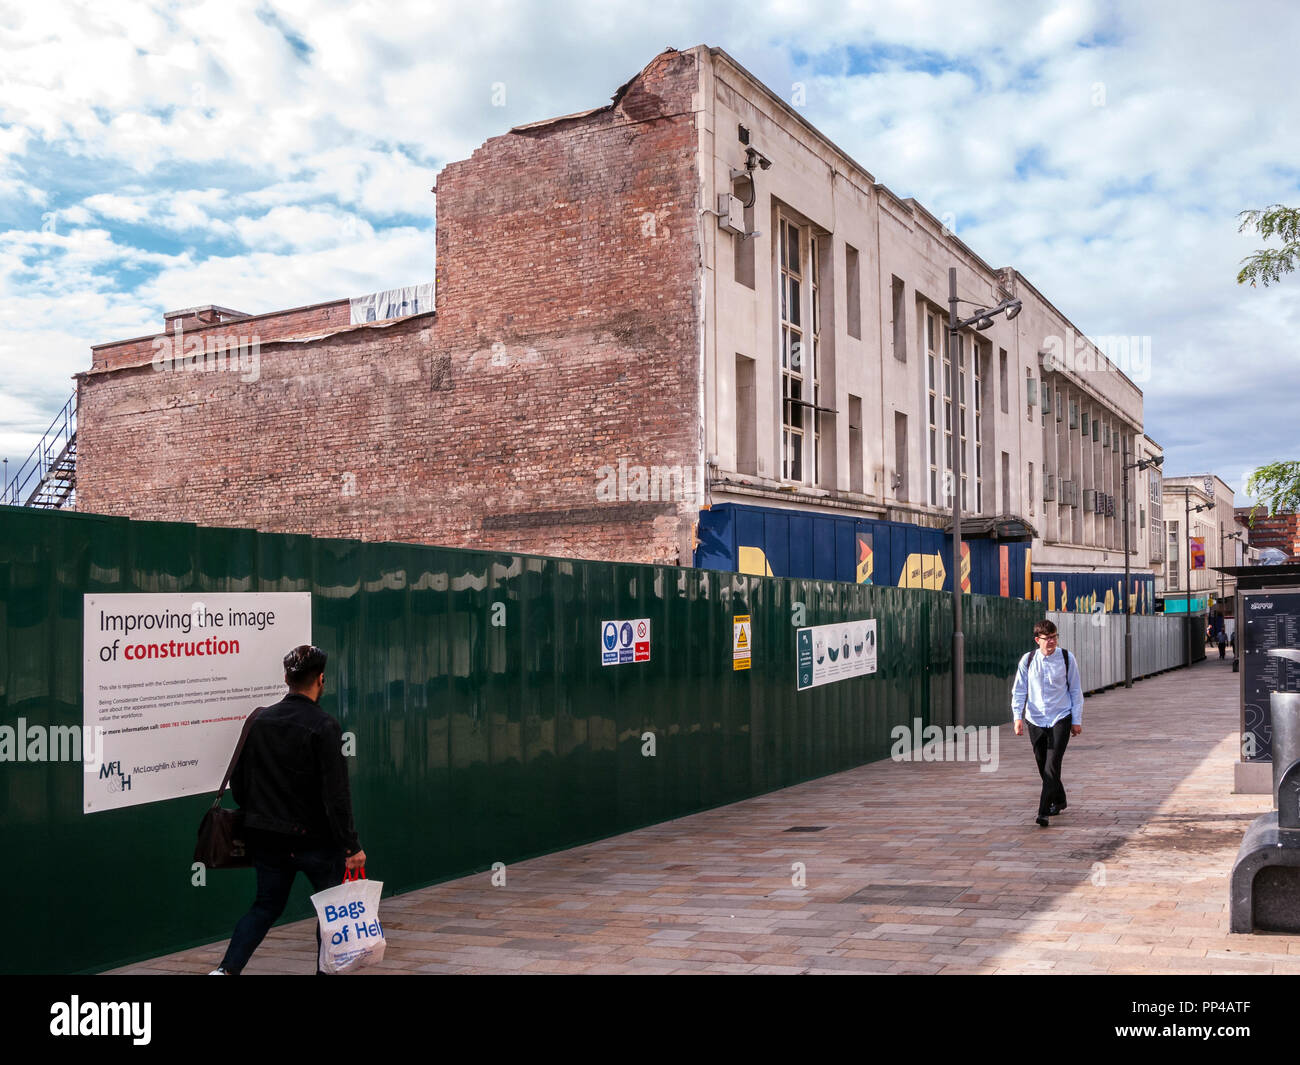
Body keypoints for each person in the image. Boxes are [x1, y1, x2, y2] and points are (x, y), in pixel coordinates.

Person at [211, 645, 366, 974]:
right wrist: (351, 845)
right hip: (316, 842)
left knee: (265, 906)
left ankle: (225, 970)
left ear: (286, 679)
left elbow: (239, 783)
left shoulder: (259, 720)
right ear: (321, 680)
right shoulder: (325, 726)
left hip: (268, 839)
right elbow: (336, 795)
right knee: (331, 912)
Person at [1011, 619, 1084, 828]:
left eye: (1054, 637)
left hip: (1061, 716)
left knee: (1052, 765)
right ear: (1037, 640)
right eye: (1047, 638)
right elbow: (1019, 690)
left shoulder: (1067, 658)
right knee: (1043, 765)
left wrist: (1076, 720)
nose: (1052, 641)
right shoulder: (1028, 660)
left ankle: (1043, 812)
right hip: (1035, 719)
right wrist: (1017, 717)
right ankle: (1060, 799)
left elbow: (1075, 691)